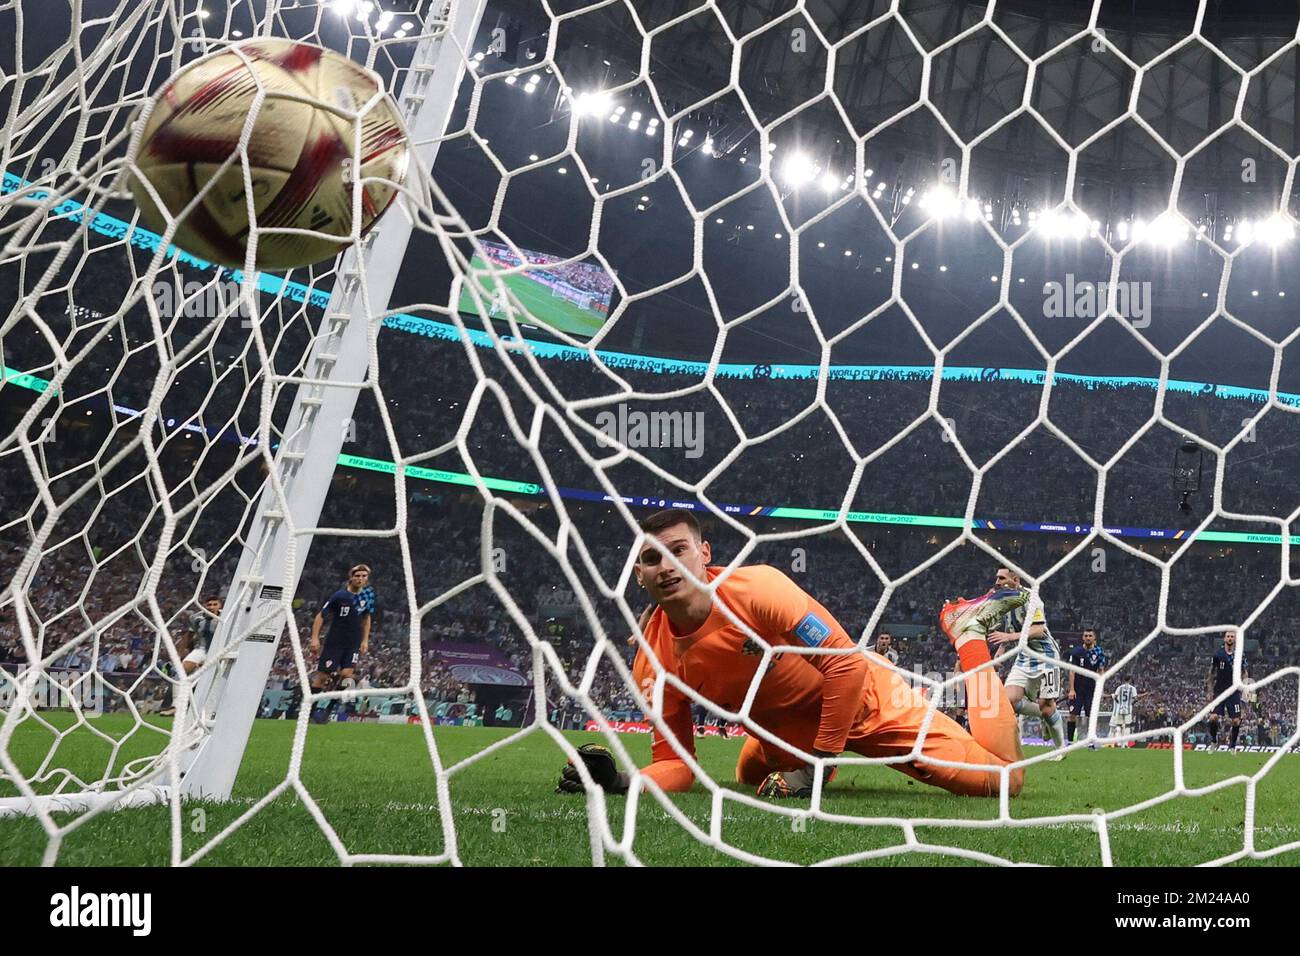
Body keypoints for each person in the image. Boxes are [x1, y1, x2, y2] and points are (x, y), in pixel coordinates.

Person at [556, 508, 1030, 800]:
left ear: (704, 553)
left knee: (1003, 784)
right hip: (787, 728)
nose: (666, 565)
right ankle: (794, 751)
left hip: (863, 699)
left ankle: (968, 635)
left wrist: (815, 769)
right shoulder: (652, 662)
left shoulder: (757, 588)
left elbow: (844, 664)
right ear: (637, 575)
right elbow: (676, 764)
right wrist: (620, 780)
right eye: (651, 558)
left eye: (677, 550)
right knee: (746, 775)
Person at [986, 567, 1066, 757]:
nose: (997, 581)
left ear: (1015, 579)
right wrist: (1000, 652)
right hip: (1025, 657)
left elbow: (1038, 630)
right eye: (996, 577)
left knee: (1046, 705)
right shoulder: (1003, 601)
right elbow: (1006, 630)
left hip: (1046, 656)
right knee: (1008, 701)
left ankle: (1061, 749)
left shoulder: (1031, 598)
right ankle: (1044, 717)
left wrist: (1009, 637)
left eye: (1002, 578)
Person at [307, 564, 372, 724]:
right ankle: (311, 710)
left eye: (364, 576)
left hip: (353, 643)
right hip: (335, 642)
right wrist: (315, 637)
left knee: (346, 675)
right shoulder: (340, 596)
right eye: (357, 576)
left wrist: (365, 640)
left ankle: (329, 708)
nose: (360, 579)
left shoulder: (367, 597)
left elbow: (366, 618)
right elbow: (321, 616)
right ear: (351, 577)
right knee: (323, 676)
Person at [1206, 630, 1248, 749]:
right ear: (1224, 639)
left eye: (1232, 637)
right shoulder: (1218, 654)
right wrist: (1209, 690)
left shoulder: (1240, 655)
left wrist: (1245, 688)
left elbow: (1244, 672)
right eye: (1228, 636)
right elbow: (1211, 673)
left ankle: (1233, 745)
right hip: (1219, 691)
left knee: (1236, 721)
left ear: (1234, 640)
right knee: (1213, 718)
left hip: (1233, 691)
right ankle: (1214, 741)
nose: (1230, 638)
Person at [1064, 627, 1107, 744]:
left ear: (1094, 638)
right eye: (1086, 636)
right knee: (1072, 714)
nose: (1088, 638)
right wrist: (1072, 689)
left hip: (1091, 688)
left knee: (1092, 715)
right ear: (1083, 638)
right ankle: (1069, 741)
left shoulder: (1099, 652)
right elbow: (1072, 671)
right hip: (1078, 688)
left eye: (1090, 636)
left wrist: (1100, 689)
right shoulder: (1076, 652)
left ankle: (1092, 741)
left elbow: (1101, 671)